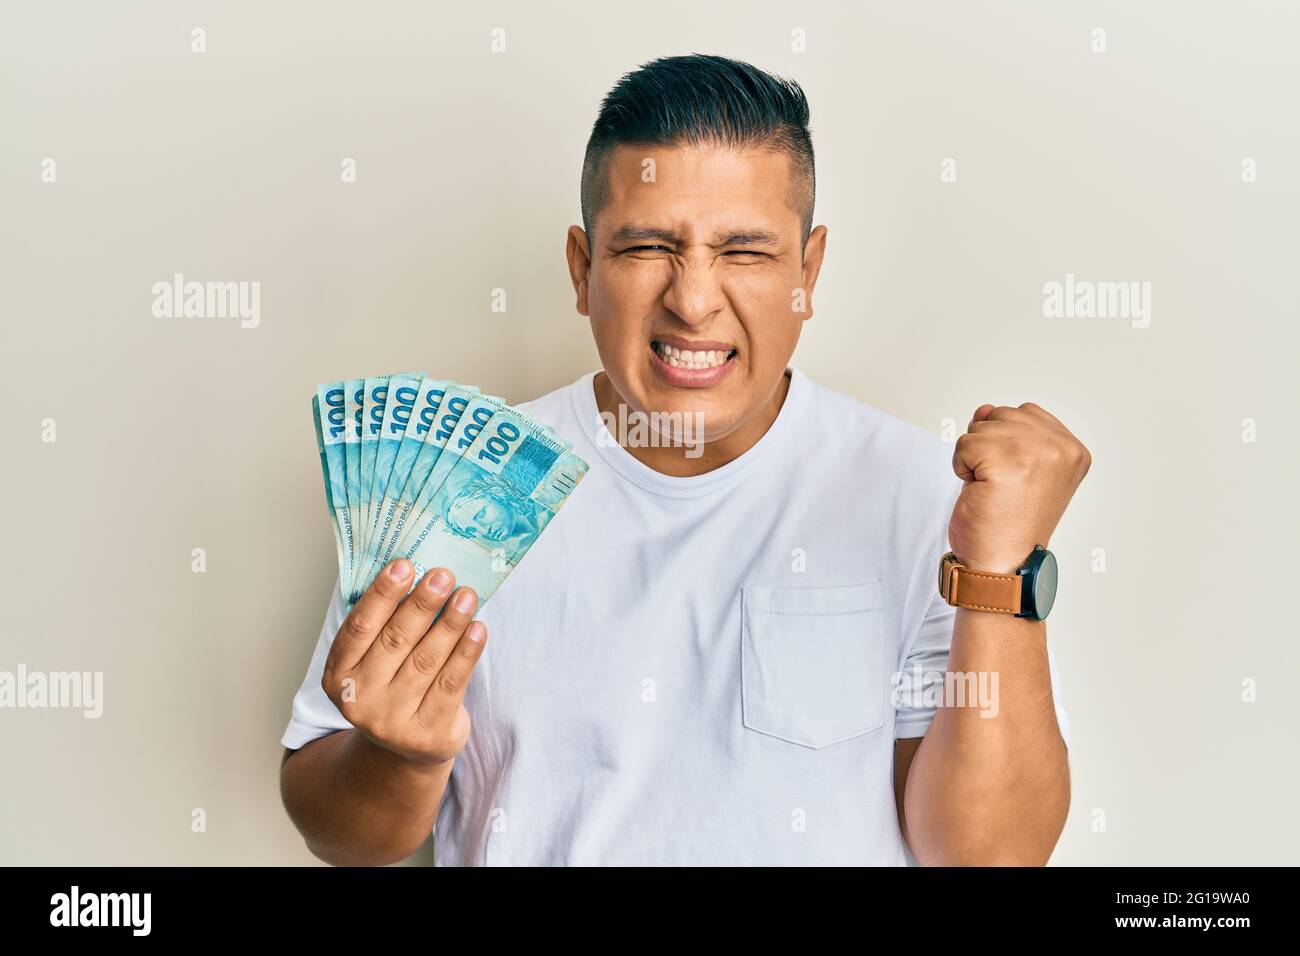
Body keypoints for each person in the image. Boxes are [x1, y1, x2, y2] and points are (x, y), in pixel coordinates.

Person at [279, 54, 1088, 866]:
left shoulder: (930, 498)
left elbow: (987, 857)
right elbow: (340, 835)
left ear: (808, 273)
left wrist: (1002, 571)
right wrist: (401, 758)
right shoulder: (453, 489)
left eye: (745, 252)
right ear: (582, 269)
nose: (693, 300)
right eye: (646, 248)